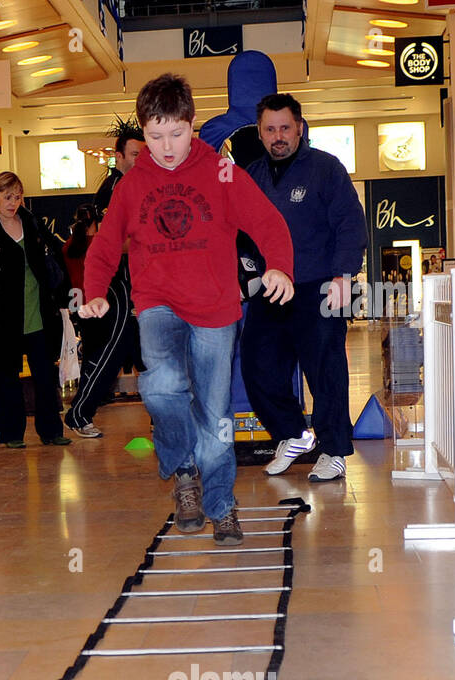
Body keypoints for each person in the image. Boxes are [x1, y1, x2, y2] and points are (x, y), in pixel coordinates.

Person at [81, 73, 295, 547]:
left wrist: (279, 266)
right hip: (157, 304)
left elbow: (267, 220)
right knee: (160, 384)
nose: (167, 146)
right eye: (155, 137)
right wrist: (95, 290)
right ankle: (182, 468)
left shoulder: (221, 172)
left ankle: (220, 505)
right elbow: (105, 244)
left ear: (192, 124)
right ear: (143, 132)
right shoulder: (133, 185)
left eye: (176, 133)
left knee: (217, 420)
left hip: (216, 310)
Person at [242, 93, 367, 482]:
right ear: (260, 134)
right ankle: (293, 434)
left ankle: (333, 450)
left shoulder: (326, 169)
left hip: (321, 286)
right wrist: (247, 278)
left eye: (285, 127)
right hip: (272, 288)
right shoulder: (252, 176)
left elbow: (350, 224)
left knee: (326, 371)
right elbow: (241, 233)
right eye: (270, 129)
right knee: (256, 364)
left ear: (299, 127)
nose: (278, 136)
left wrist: (344, 277)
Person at [0, 171, 71, 447]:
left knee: (44, 375)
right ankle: (11, 434)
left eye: (18, 196)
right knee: (6, 377)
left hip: (38, 311)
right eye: (7, 196)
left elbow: (56, 256)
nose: (13, 202)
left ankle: (51, 430)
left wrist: (61, 296)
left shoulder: (32, 223)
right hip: (3, 314)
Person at [65, 124, 146, 439]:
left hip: (131, 278)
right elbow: (110, 241)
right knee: (114, 346)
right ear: (119, 156)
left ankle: (163, 413)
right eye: (135, 154)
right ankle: (79, 411)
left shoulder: (135, 185)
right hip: (116, 279)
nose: (141, 159)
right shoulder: (115, 188)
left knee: (143, 347)